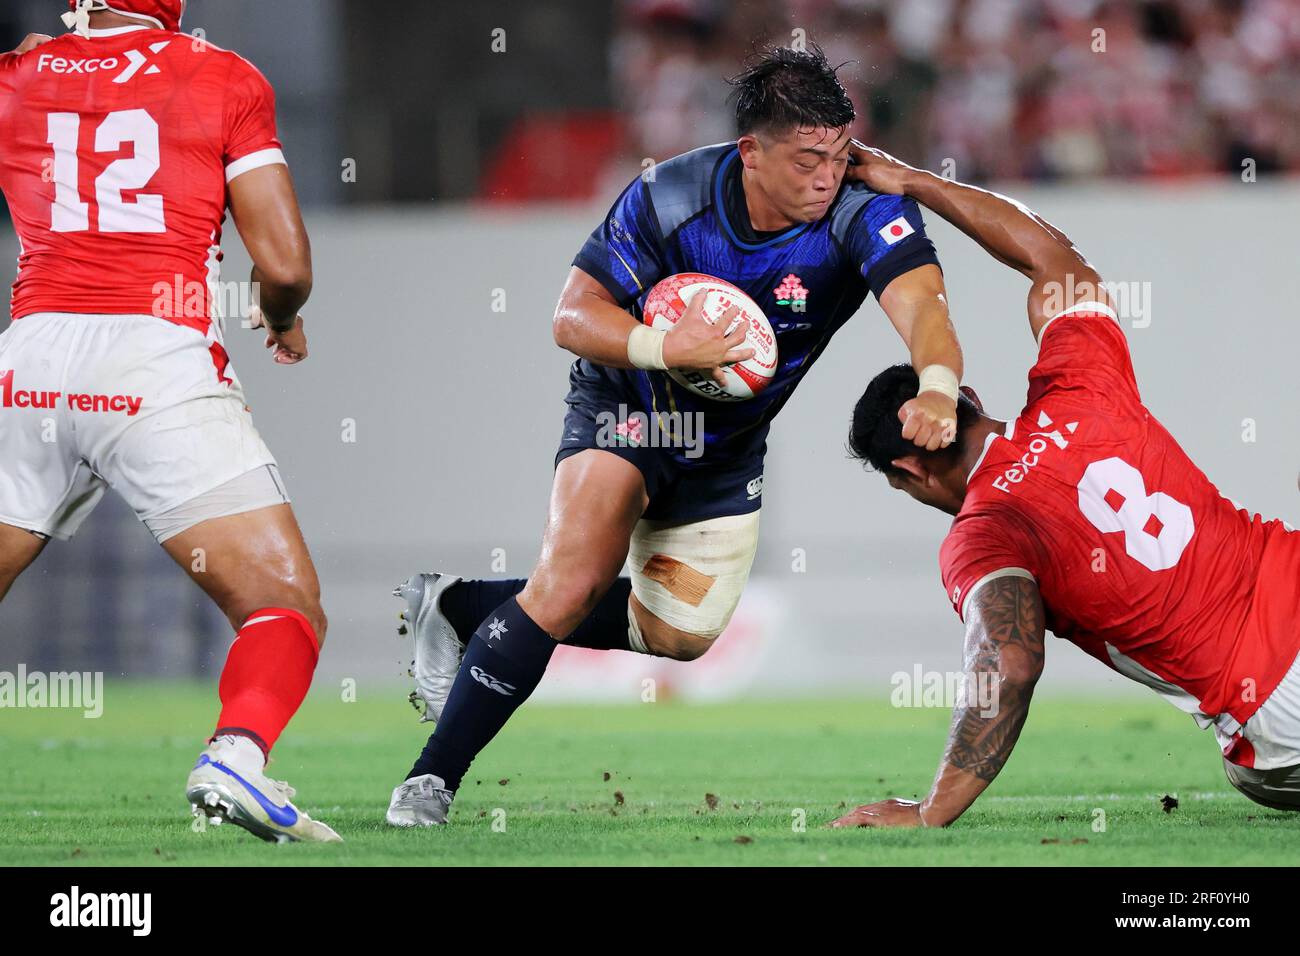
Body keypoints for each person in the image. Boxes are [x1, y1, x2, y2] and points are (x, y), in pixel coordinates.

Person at [387, 46, 967, 827]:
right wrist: (668, 349)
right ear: (750, 153)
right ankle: (430, 783)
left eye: (837, 156)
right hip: (628, 406)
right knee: (569, 583)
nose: (827, 177)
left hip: (727, 443)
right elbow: (571, 315)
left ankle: (460, 604)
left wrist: (935, 383)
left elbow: (924, 304)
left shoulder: (860, 204)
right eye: (806, 161)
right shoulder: (670, 195)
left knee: (681, 635)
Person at [833, 145, 1300, 828]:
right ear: (966, 396)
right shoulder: (1078, 385)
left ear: (907, 471)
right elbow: (1052, 259)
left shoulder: (984, 533)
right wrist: (912, 181)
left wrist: (932, 810)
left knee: (1248, 771)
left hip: (1275, 703)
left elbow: (1013, 663)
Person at [0, 0, 337, 842]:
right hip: (151, 361)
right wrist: (280, 312)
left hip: (30, 357)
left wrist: (37, 69)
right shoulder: (222, 76)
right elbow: (286, 262)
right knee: (283, 604)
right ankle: (234, 758)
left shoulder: (17, 76)